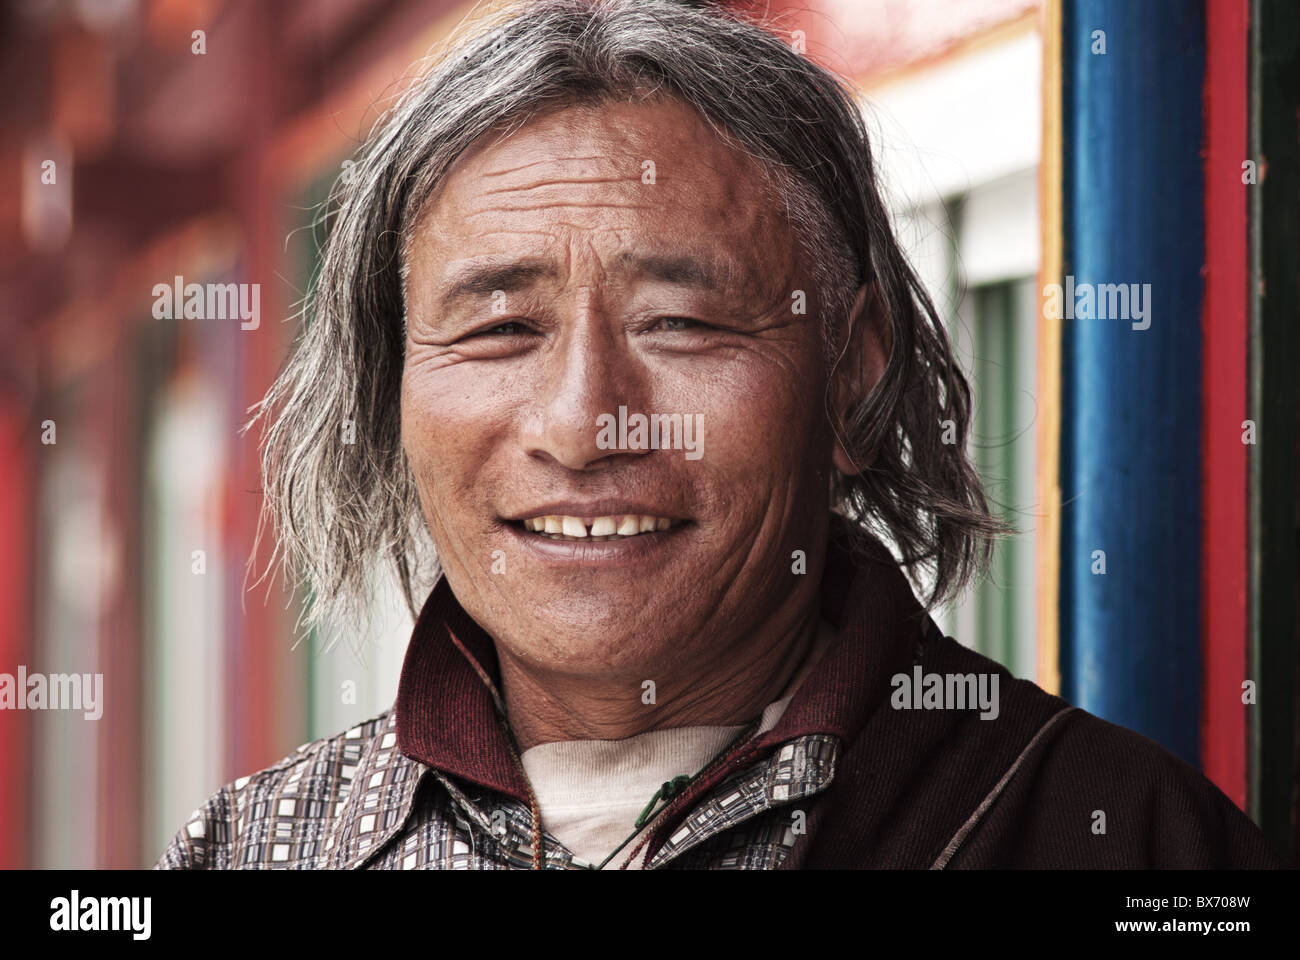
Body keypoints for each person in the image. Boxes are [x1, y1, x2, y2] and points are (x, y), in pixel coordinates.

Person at [156, 0, 1280, 870]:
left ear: (850, 377)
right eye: (499, 328)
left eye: (681, 322)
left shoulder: (1113, 840)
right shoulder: (267, 847)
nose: (584, 423)